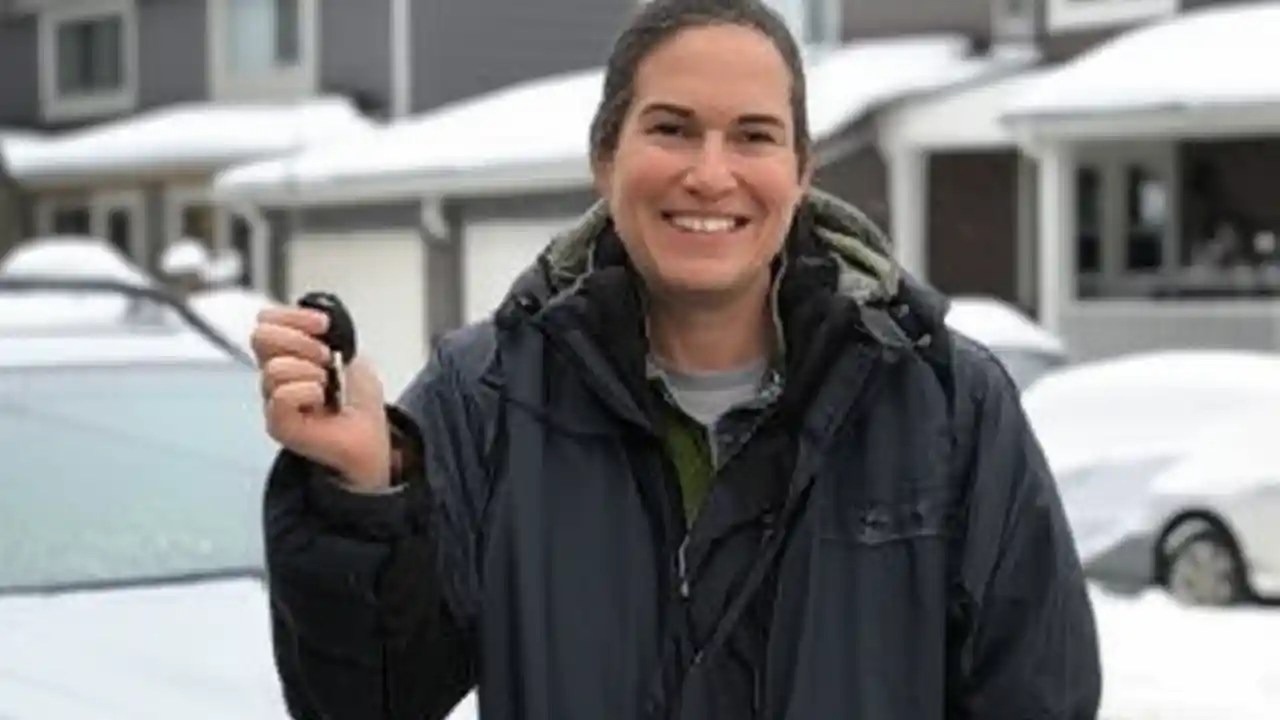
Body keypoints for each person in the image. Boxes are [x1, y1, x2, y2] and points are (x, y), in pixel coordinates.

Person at [251, 1, 1101, 718]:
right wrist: (365, 493)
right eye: (672, 128)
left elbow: (1037, 696)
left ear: (801, 172)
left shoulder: (945, 404)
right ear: (605, 158)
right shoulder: (486, 400)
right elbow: (368, 701)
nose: (710, 173)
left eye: (753, 137)